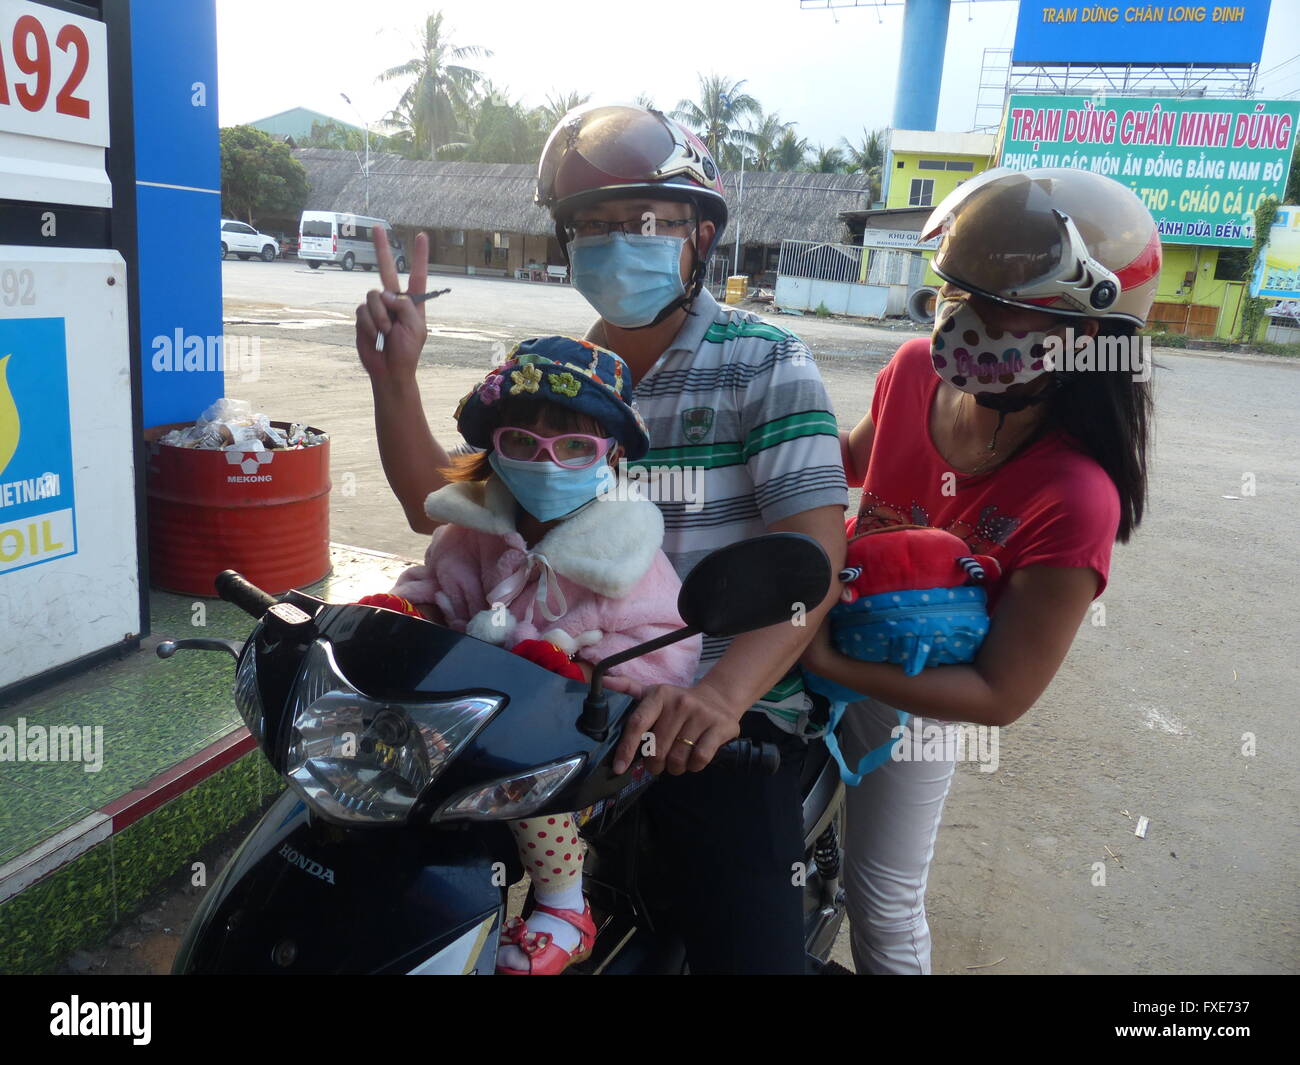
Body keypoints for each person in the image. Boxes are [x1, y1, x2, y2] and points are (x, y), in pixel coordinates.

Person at [356, 103, 847, 973]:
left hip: (711, 717)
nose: (620, 243)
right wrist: (395, 377)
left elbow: (815, 565)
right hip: (545, 702)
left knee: (748, 952)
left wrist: (721, 695)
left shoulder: (767, 363)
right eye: (593, 226)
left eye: (646, 222)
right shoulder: (554, 370)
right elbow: (448, 503)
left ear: (699, 236)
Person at [800, 167, 1162, 973]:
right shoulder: (911, 372)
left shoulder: (1075, 497)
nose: (967, 319)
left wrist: (826, 658)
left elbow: (1001, 693)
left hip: (915, 696)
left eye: (1006, 307)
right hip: (816, 626)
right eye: (959, 292)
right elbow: (835, 469)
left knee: (883, 901)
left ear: (1091, 334)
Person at [377, 335, 700, 975]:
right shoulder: (470, 529)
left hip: (579, 742)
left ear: (610, 456)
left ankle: (564, 904)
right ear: (493, 448)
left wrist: (579, 675)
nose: (546, 464)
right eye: (522, 443)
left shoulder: (627, 559)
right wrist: (406, 615)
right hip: (460, 718)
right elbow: (435, 589)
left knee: (529, 795)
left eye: (575, 446)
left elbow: (665, 654)